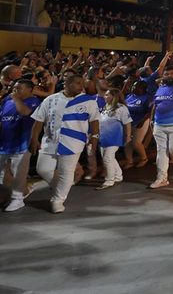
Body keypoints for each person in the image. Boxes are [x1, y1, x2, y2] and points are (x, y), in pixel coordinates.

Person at [28, 73, 100, 213]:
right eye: (78, 83)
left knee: (66, 172)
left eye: (82, 83)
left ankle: (58, 200)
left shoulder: (89, 101)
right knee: (42, 169)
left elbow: (94, 120)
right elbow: (38, 120)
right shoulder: (50, 99)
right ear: (67, 84)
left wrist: (95, 137)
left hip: (74, 142)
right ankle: (61, 188)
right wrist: (34, 138)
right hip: (50, 141)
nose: (82, 86)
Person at [0, 79, 41, 212]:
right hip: (5, 143)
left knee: (19, 174)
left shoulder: (34, 101)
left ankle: (17, 200)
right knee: (2, 175)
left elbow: (25, 113)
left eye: (19, 88)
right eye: (14, 87)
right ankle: (23, 190)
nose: (15, 90)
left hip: (22, 143)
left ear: (30, 89)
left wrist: (16, 99)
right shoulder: (7, 101)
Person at [95, 87, 132, 191]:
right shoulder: (106, 107)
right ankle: (118, 176)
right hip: (104, 137)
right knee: (109, 158)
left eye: (107, 95)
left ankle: (109, 180)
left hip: (114, 137)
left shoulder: (121, 108)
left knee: (107, 158)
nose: (104, 96)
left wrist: (128, 136)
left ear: (114, 96)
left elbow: (127, 123)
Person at [123, 80, 153, 168]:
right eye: (133, 86)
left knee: (136, 142)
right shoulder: (129, 96)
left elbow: (149, 112)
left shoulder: (147, 97)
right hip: (128, 122)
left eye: (136, 86)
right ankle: (129, 161)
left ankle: (144, 158)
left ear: (142, 88)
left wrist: (142, 121)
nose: (133, 88)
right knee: (127, 142)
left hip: (140, 121)